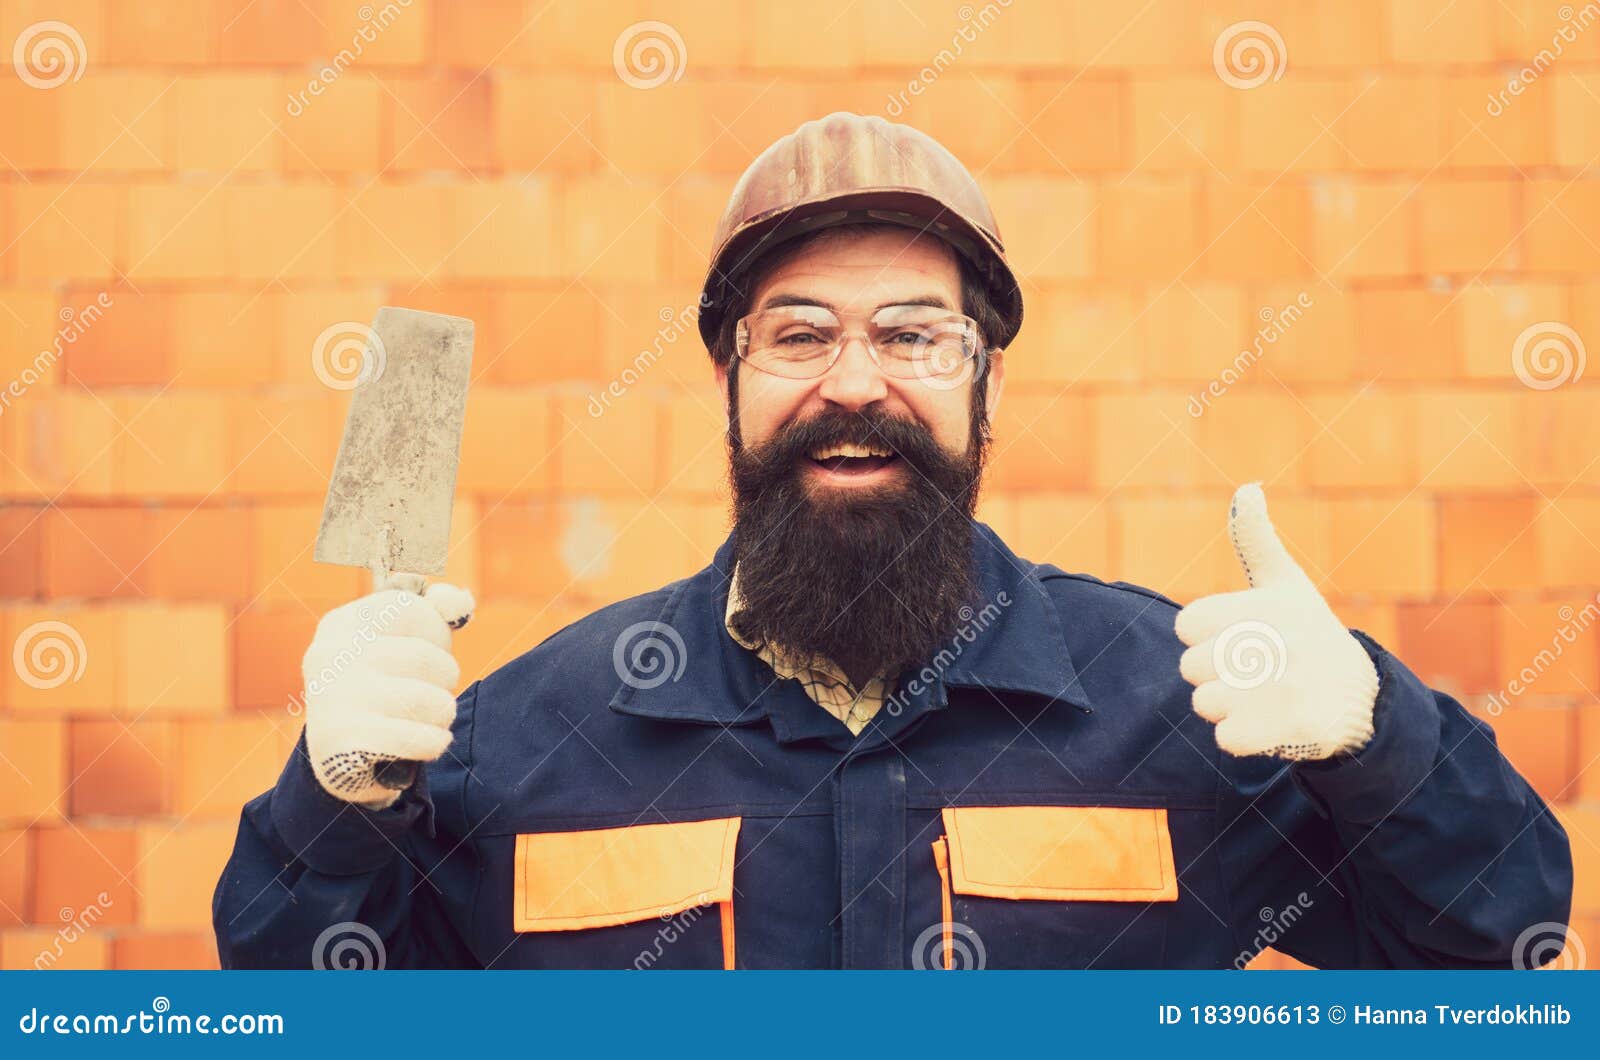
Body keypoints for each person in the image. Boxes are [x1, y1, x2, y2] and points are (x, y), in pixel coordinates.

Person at [214, 112, 1572, 970]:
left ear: (987, 385)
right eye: (798, 334)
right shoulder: (525, 738)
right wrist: (331, 810)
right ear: (729, 387)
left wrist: (1379, 739)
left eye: (915, 334)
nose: (854, 384)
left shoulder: (1174, 710)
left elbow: (1502, 947)